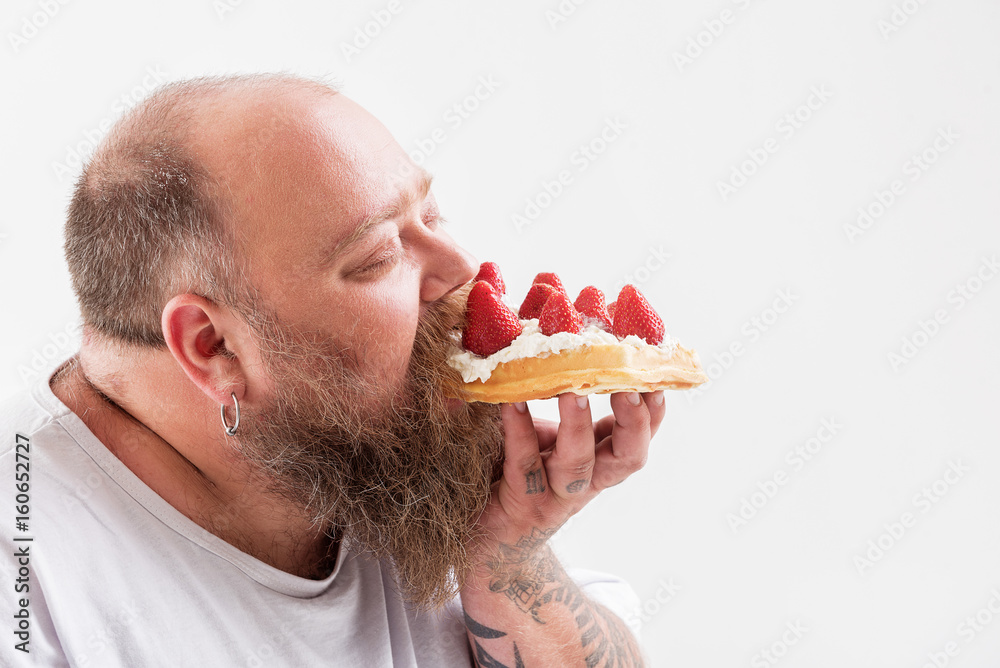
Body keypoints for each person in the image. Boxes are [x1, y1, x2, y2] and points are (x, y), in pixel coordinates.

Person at [1, 74, 665, 666]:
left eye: (430, 215)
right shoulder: (31, 590)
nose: (461, 268)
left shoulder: (373, 457)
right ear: (213, 348)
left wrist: (509, 556)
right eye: (379, 254)